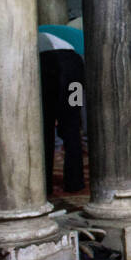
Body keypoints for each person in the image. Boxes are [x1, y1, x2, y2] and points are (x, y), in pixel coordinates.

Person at [38, 29, 85, 196]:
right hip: (75, 66)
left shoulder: (24, 37)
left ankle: (44, 185)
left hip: (47, 66)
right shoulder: (58, 35)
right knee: (72, 124)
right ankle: (75, 182)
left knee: (45, 125)